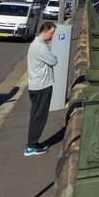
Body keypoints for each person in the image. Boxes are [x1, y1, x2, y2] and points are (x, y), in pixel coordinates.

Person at [25, 21, 59, 156]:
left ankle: (33, 142)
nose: (52, 37)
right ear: (45, 31)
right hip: (42, 86)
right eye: (51, 33)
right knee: (39, 117)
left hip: (35, 85)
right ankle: (31, 146)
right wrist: (51, 51)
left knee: (36, 116)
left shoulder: (36, 45)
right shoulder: (40, 47)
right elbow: (54, 60)